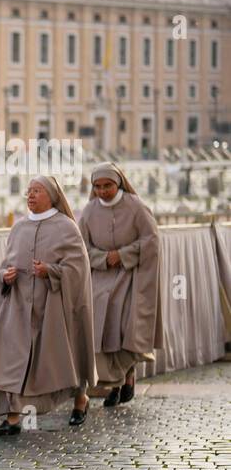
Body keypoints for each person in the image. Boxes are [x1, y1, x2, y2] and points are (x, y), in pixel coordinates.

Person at [0, 175, 96, 434]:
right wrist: (5, 276)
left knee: (65, 358)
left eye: (37, 191)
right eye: (28, 191)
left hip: (53, 308)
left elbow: (78, 269)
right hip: (19, 308)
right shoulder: (19, 228)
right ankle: (11, 418)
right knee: (9, 359)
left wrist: (51, 271)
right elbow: (6, 263)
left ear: (52, 196)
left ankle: (80, 399)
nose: (30, 196)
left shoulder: (66, 227)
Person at [78, 162, 163, 406]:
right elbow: (82, 245)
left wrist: (123, 254)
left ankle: (125, 376)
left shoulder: (136, 207)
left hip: (130, 276)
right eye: (98, 186)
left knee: (125, 327)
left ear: (119, 184)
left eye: (108, 186)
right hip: (100, 277)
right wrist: (103, 258)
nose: (103, 191)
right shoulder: (90, 210)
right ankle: (114, 382)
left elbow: (151, 240)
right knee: (102, 331)